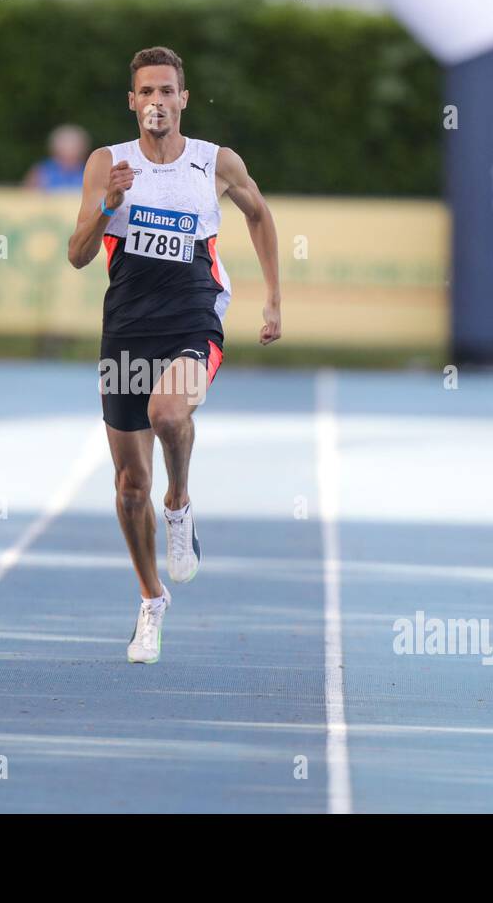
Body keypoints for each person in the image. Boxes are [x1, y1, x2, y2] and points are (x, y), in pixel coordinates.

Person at [67, 46, 282, 664]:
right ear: (132, 102)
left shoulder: (215, 163)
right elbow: (79, 254)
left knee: (169, 415)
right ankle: (150, 599)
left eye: (168, 91)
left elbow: (260, 216)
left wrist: (271, 299)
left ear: (183, 99)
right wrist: (109, 203)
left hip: (194, 320)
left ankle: (180, 503)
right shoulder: (108, 163)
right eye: (147, 93)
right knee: (130, 484)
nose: (157, 102)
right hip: (126, 329)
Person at [24, 124, 90, 191]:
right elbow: (27, 196)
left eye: (74, 148)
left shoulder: (91, 173)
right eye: (64, 147)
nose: (69, 152)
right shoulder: (41, 172)